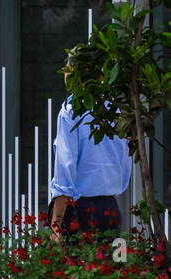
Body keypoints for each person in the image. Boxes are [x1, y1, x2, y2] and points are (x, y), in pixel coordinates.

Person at [47, 97, 131, 238]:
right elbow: (125, 162)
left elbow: (65, 167)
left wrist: (57, 221)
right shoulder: (117, 110)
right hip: (111, 207)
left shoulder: (71, 109)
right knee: (114, 258)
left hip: (77, 209)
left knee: (73, 259)